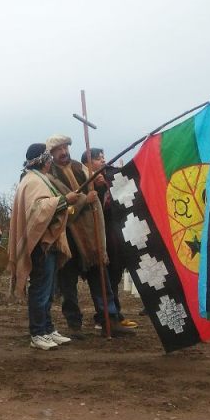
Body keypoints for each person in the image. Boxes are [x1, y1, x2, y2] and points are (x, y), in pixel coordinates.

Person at [46, 135, 133, 338]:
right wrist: (84, 200)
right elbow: (58, 207)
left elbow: (98, 201)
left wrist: (101, 186)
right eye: (58, 149)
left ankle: (109, 319)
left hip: (89, 235)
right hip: (67, 236)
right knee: (68, 282)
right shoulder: (50, 177)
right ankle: (74, 324)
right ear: (51, 153)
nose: (63, 152)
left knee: (100, 277)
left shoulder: (80, 168)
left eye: (65, 147)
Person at [8, 144, 74, 350]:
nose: (51, 162)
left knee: (48, 289)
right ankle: (38, 332)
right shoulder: (33, 181)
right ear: (45, 160)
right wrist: (64, 200)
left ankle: (47, 327)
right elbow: (38, 210)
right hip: (40, 244)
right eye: (49, 159)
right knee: (41, 289)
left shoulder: (39, 179)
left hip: (48, 243)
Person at [81, 148, 138, 329]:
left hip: (115, 232)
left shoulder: (111, 175)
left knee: (115, 274)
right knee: (103, 277)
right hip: (97, 234)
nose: (103, 161)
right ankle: (104, 317)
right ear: (88, 163)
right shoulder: (84, 180)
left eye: (103, 157)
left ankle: (115, 313)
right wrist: (97, 186)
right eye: (98, 159)